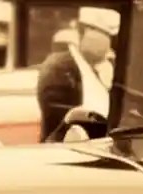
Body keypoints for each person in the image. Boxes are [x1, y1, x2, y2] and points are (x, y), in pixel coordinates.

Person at [35, 7, 118, 141]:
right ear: (84, 31)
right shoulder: (59, 68)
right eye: (106, 35)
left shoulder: (102, 68)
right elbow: (64, 119)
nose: (109, 44)